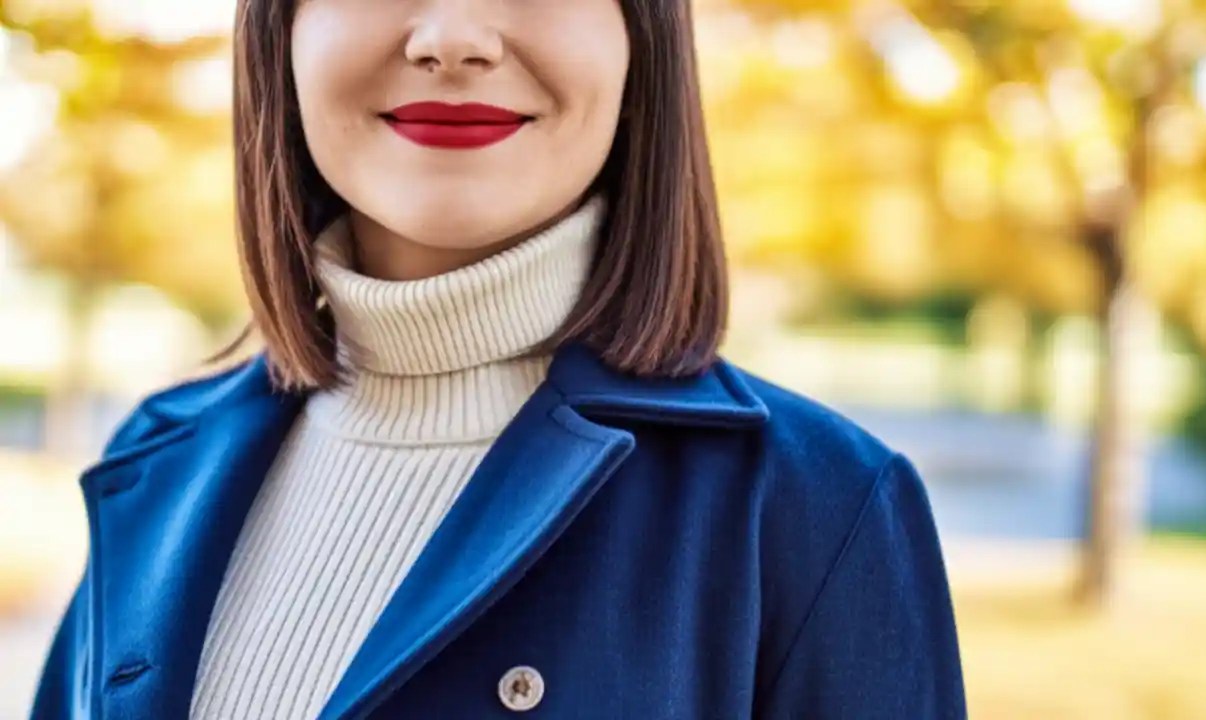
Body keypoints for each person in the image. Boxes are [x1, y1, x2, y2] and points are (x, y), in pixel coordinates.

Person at [29, 0, 966, 717]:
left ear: (642, 41)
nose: (454, 38)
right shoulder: (162, 458)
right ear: (281, 31)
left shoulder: (817, 506)